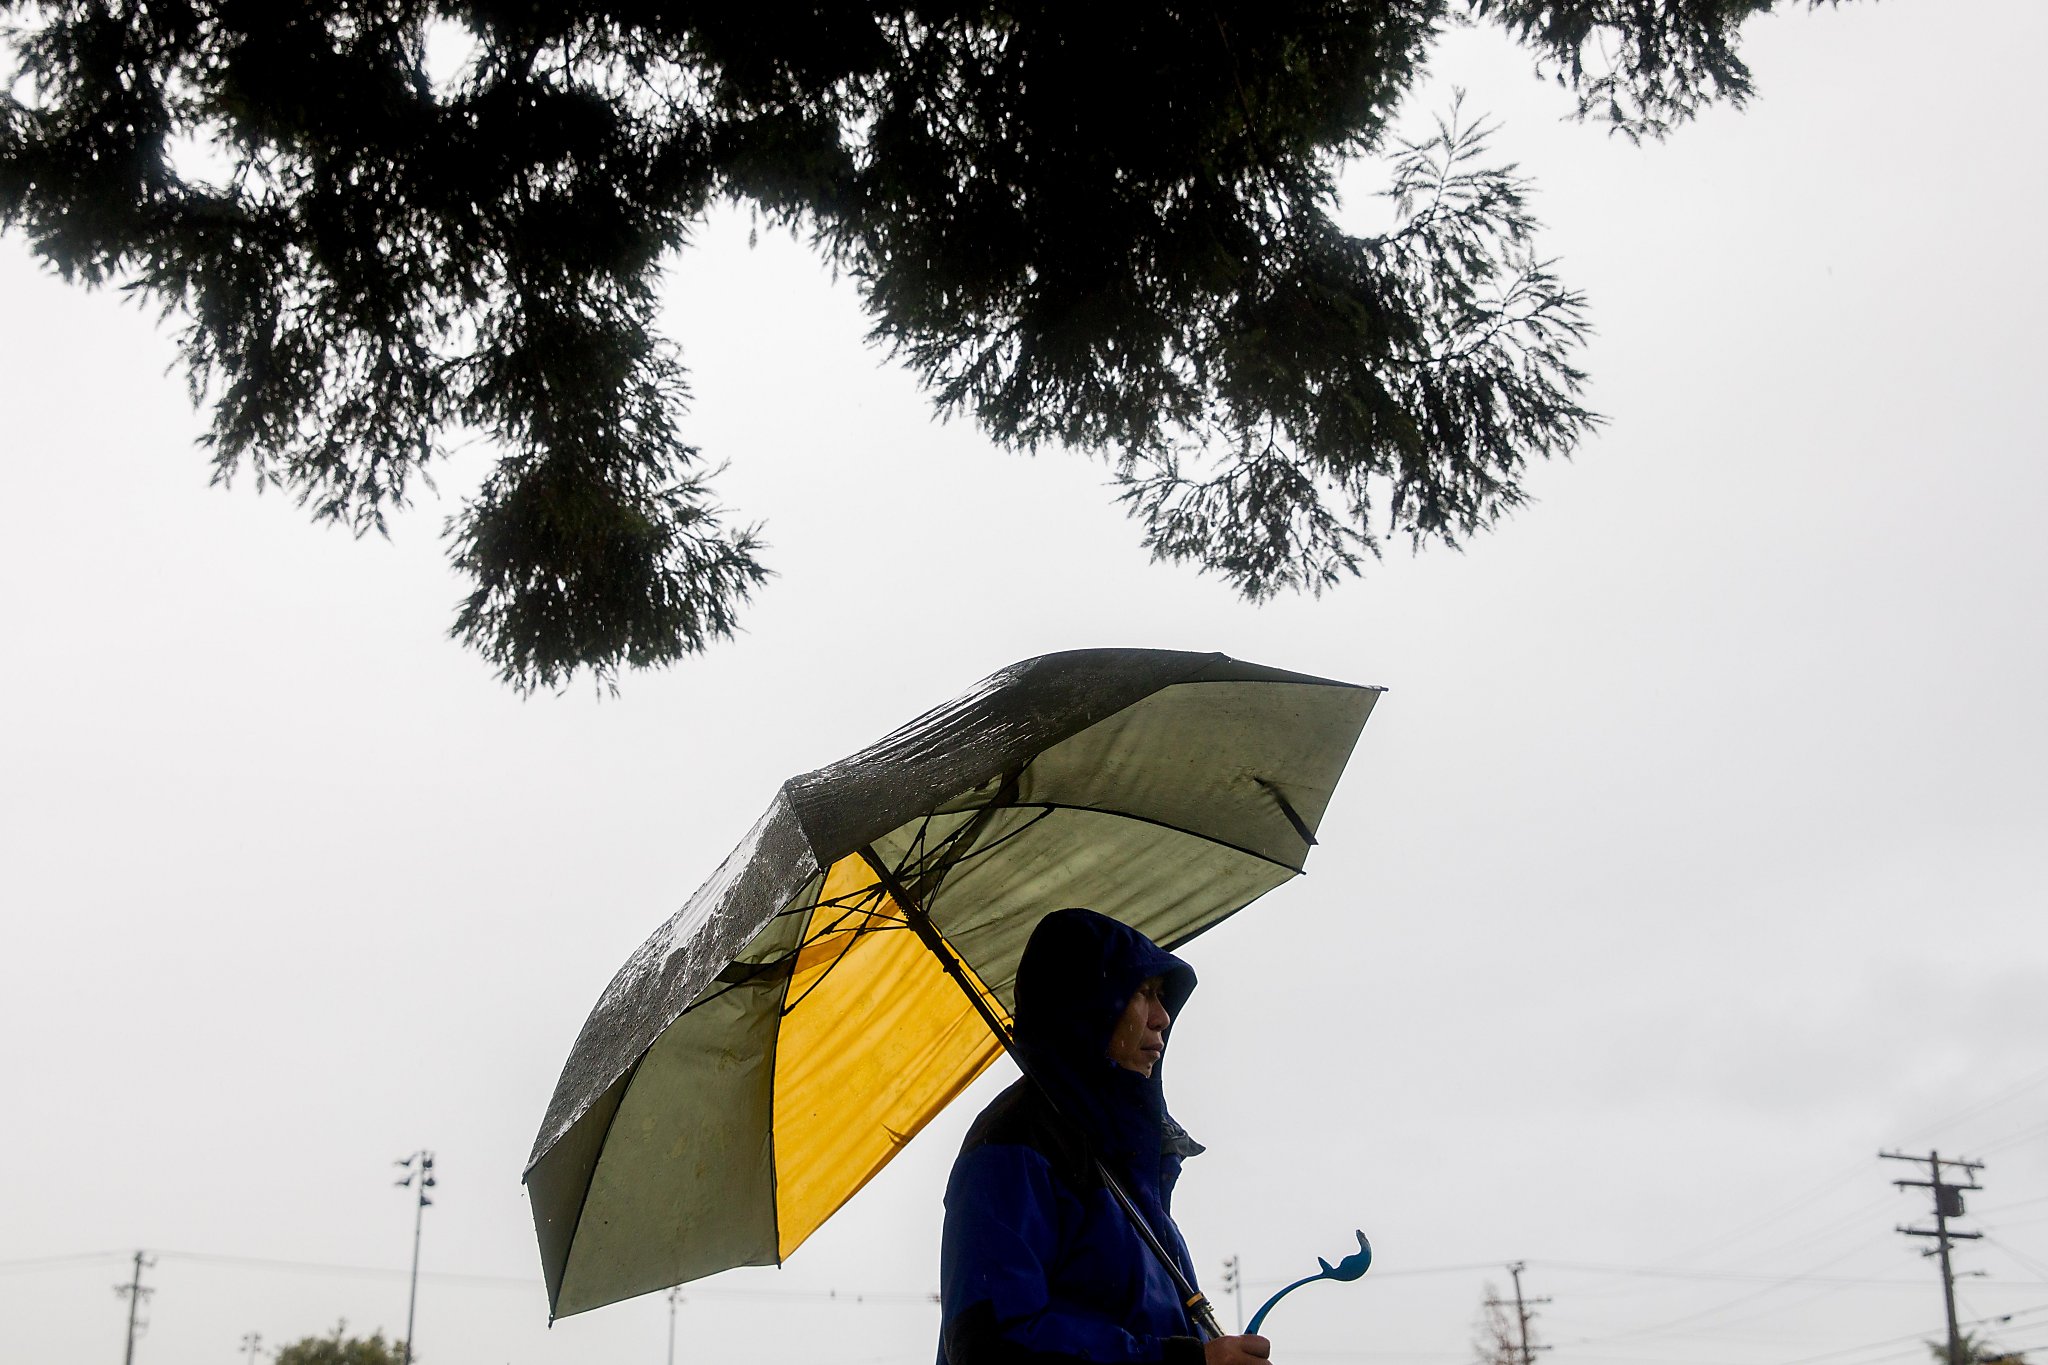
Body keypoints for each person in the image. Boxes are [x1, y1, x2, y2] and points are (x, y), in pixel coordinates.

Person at [937, 907, 1274, 1365]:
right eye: (1143, 992)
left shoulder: (1122, 1155)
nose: (1162, 1018)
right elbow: (992, 1346)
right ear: (1086, 1004)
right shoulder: (1011, 1149)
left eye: (1162, 996)